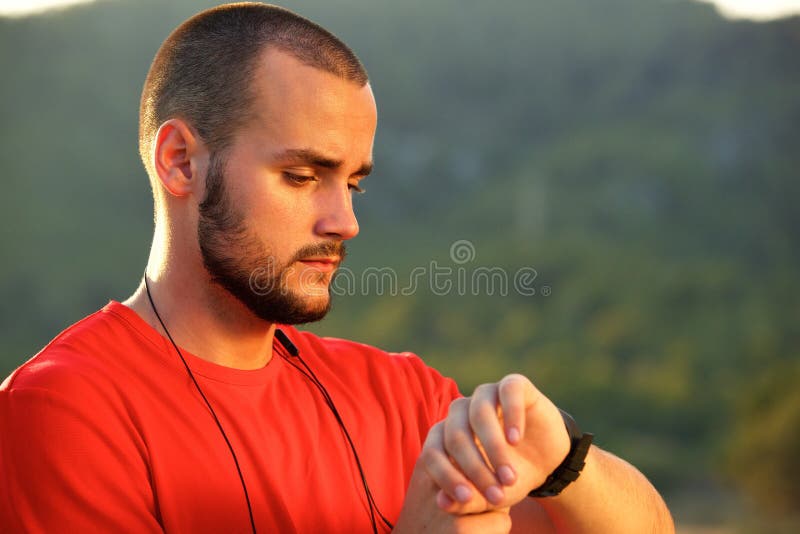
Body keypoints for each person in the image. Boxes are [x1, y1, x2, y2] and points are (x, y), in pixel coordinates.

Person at [0, 3, 674, 533]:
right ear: (180, 162)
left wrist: (563, 462)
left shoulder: (402, 397)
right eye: (302, 176)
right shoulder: (64, 412)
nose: (344, 222)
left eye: (353, 183)